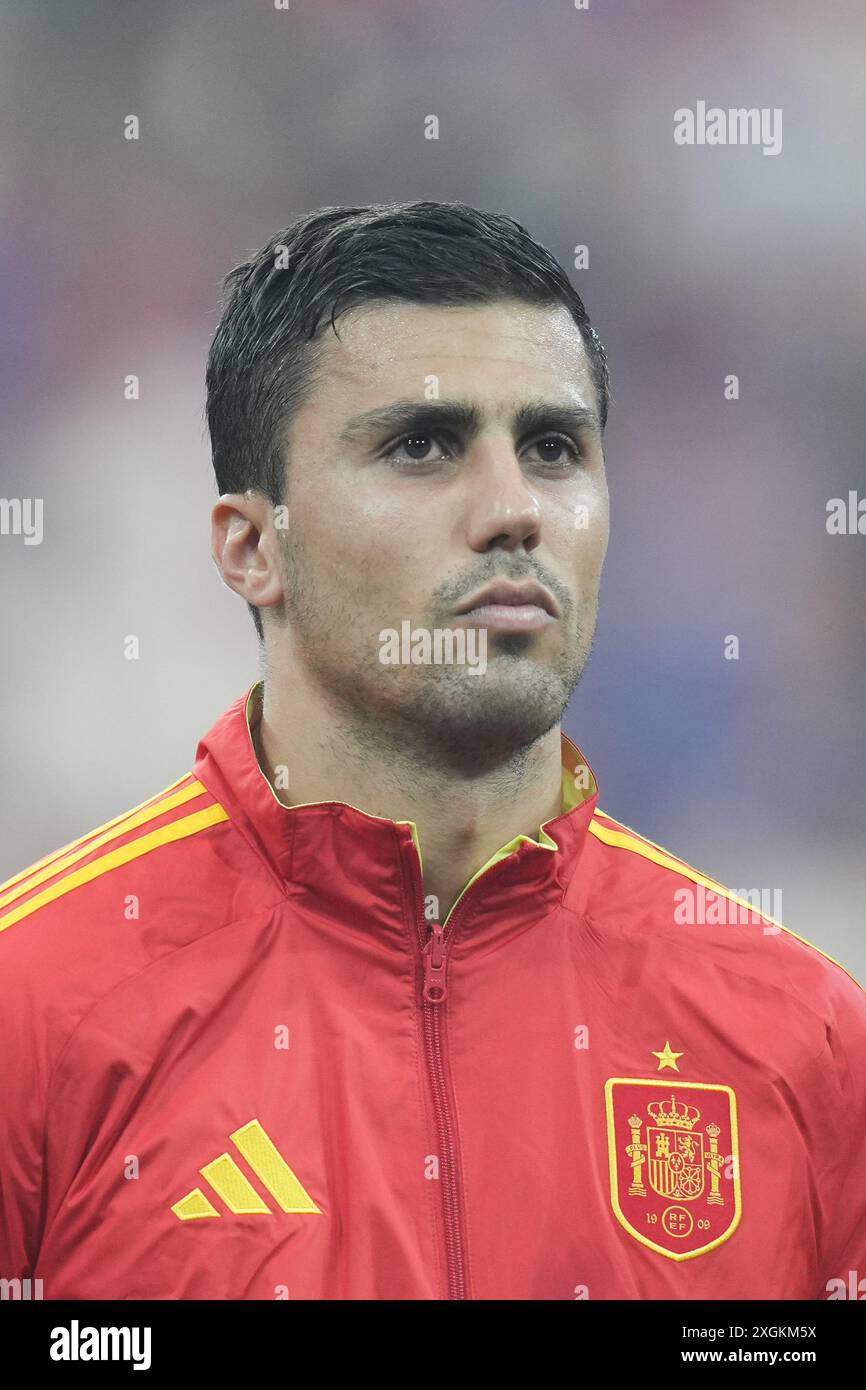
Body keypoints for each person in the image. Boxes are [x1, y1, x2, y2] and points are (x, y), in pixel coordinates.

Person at [1, 201, 863, 1301]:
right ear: (253, 545)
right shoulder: (29, 1011)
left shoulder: (804, 1036)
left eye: (551, 448)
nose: (512, 509)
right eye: (421, 445)